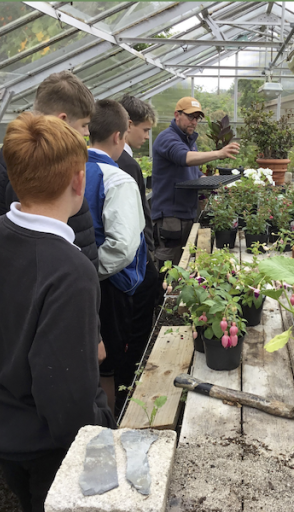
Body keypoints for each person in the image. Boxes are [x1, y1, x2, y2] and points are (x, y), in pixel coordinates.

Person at [0, 112, 114, 512]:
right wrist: (101, 425)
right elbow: (65, 393)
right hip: (46, 443)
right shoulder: (69, 270)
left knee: (27, 505)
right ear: (78, 181)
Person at [0, 71, 98, 270]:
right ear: (62, 120)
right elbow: (31, 245)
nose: (87, 133)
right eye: (84, 125)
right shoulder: (32, 161)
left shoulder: (36, 155)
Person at [85, 100, 146, 413]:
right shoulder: (117, 179)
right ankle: (109, 422)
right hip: (108, 286)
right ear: (119, 136)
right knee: (108, 361)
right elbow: (123, 246)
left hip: (74, 279)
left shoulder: (72, 167)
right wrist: (90, 272)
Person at [114, 95, 162, 415]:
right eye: (145, 130)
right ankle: (130, 383)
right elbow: (136, 220)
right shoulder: (125, 164)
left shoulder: (118, 160)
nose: (147, 137)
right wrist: (149, 262)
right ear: (127, 125)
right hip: (131, 266)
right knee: (135, 324)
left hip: (124, 265)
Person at [150, 97, 240, 266]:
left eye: (197, 118)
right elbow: (184, 158)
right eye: (190, 117)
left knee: (183, 264)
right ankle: (160, 293)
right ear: (177, 115)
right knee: (168, 266)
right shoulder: (167, 138)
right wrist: (219, 153)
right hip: (171, 216)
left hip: (187, 213)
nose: (194, 122)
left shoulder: (189, 141)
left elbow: (192, 170)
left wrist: (206, 180)